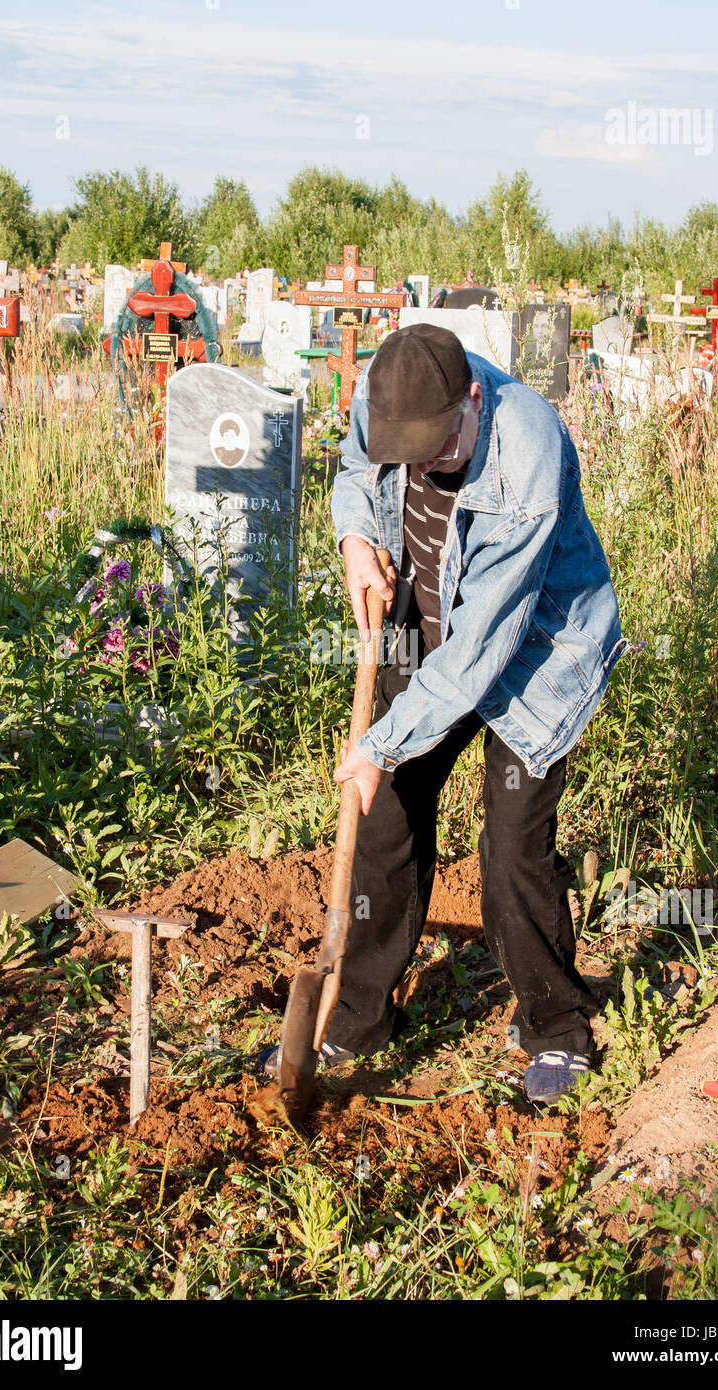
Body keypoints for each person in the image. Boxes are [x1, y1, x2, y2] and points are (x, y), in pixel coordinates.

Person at [266, 324, 627, 1103]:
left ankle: (556, 1026)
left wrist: (381, 741)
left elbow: (480, 651)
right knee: (385, 816)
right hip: (423, 632)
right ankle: (356, 1018)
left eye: (437, 448)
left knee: (510, 852)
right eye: (412, 454)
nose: (423, 466)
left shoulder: (528, 450)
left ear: (472, 398)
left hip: (533, 655)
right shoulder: (388, 393)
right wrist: (357, 538)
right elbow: (360, 468)